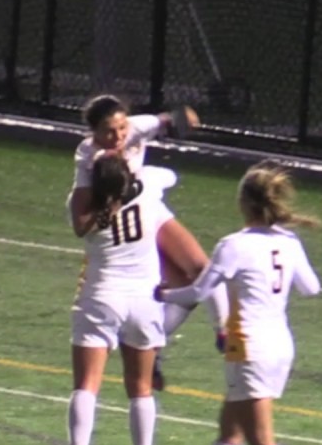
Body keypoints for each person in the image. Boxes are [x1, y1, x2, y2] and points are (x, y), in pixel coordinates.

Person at [155, 161, 321, 445]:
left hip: (249, 347)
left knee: (260, 438)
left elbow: (198, 292)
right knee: (230, 428)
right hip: (279, 344)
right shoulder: (289, 242)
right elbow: (312, 288)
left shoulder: (234, 245)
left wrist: (161, 293)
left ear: (244, 203)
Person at [68, 94, 229, 389]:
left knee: (197, 275)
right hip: (120, 223)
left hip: (147, 207)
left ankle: (221, 333)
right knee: (184, 283)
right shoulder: (89, 158)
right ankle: (208, 338)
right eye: (108, 131)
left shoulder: (136, 127)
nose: (117, 136)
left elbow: (171, 119)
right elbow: (81, 218)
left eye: (121, 128)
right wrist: (109, 205)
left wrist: (183, 117)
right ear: (94, 132)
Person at [58, 155, 180, 445]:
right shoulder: (149, 189)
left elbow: (81, 204)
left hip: (100, 298)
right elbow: (171, 174)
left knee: (86, 386)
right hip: (144, 302)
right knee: (140, 388)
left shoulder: (82, 206)